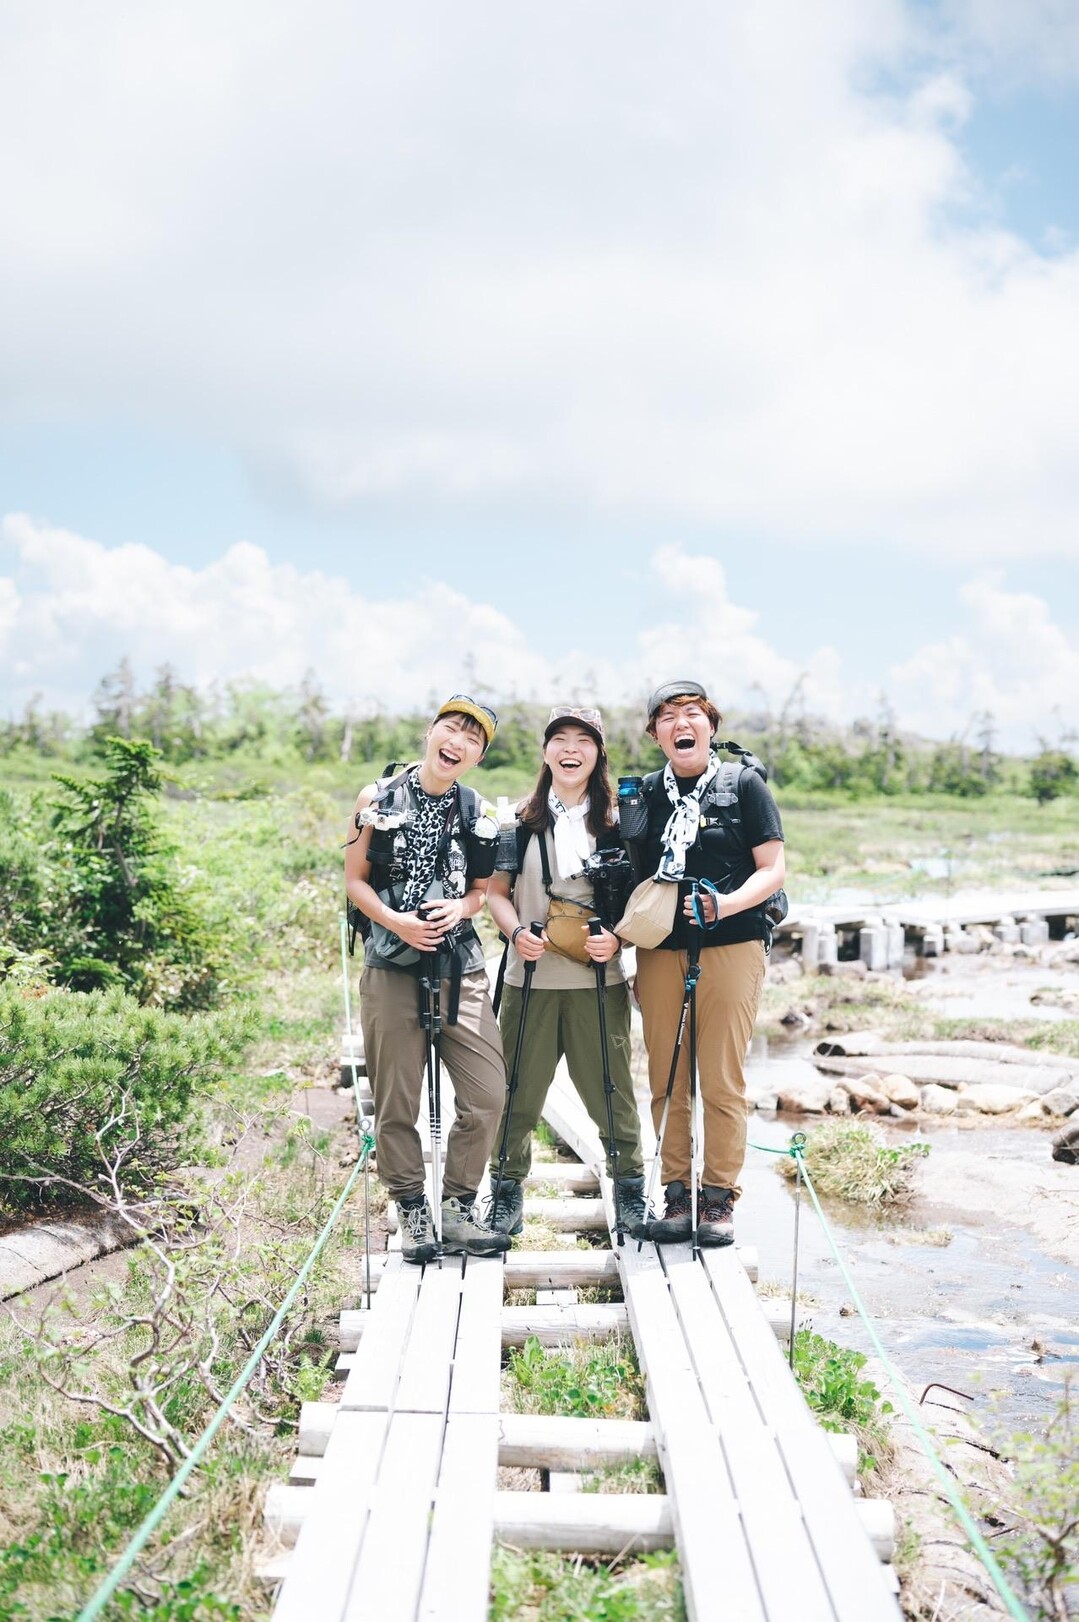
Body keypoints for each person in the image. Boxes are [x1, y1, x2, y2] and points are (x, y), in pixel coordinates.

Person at [344, 696, 511, 1263]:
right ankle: (413, 1209)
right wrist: (396, 922)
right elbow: (355, 881)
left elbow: (481, 893)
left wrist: (460, 911)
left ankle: (460, 1206)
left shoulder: (476, 809)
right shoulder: (376, 798)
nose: (457, 742)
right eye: (452, 727)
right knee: (397, 1099)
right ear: (431, 731)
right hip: (391, 964)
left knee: (488, 1093)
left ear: (478, 756)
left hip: (458, 965)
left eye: (473, 738)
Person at [628, 681, 785, 1247]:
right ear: (655, 736)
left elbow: (772, 869)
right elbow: (630, 874)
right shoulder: (645, 793)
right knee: (666, 1079)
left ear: (711, 727)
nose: (680, 724)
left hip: (733, 943)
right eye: (667, 718)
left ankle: (718, 1198)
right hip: (660, 950)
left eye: (692, 714)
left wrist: (727, 904)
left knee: (721, 1079)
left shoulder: (743, 785)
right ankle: (676, 1195)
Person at [485, 706, 648, 1239]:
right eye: (560, 739)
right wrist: (515, 935)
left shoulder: (620, 823)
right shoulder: (519, 820)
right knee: (515, 1092)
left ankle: (629, 1189)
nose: (570, 749)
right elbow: (496, 895)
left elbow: (641, 897)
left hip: (599, 985)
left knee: (611, 1090)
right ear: (546, 750)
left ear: (598, 752)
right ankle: (506, 1191)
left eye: (583, 740)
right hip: (527, 981)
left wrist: (618, 939)